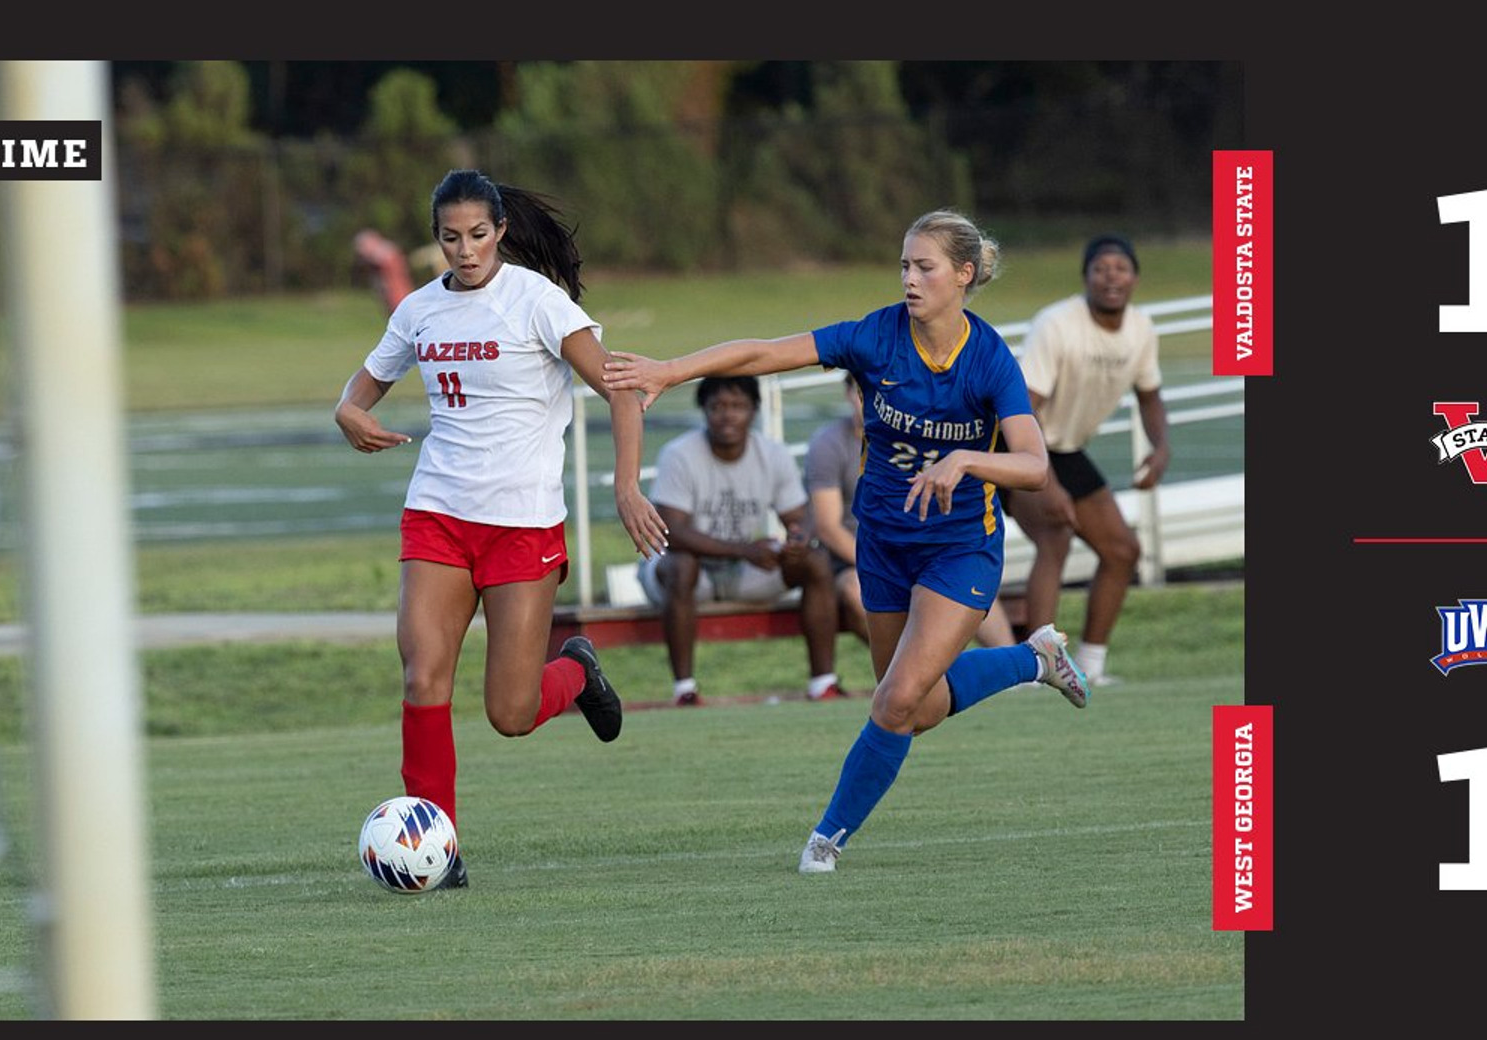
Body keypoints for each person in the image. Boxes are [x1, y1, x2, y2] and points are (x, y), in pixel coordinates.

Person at [604, 209, 1091, 875]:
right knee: (914, 710)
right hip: (883, 545)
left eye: (925, 267)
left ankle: (824, 842)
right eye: (904, 264)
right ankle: (1033, 661)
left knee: (892, 703)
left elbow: (1034, 464)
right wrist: (670, 369)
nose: (909, 278)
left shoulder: (988, 360)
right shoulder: (876, 336)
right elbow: (765, 352)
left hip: (960, 551)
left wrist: (967, 462)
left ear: (964, 275)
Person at [333, 169, 669, 890]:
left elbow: (622, 389)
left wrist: (625, 484)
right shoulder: (419, 311)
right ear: (437, 240)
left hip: (522, 525)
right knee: (423, 676)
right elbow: (360, 390)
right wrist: (349, 413)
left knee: (510, 713)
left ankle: (577, 672)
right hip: (438, 515)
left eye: (478, 235)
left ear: (501, 232)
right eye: (450, 238)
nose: (465, 250)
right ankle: (437, 850)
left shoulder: (537, 302)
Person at [1007, 234, 1170, 688]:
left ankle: (1091, 666)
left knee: (1122, 551)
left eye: (1121, 268)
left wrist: (1160, 448)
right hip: (1020, 444)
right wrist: (1049, 484)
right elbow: (1023, 407)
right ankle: (1034, 672)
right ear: (1086, 278)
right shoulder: (1056, 323)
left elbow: (1151, 397)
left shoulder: (1141, 329)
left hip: (1066, 449)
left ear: (1135, 277)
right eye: (1101, 268)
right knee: (1054, 536)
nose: (1111, 277)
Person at [638, 375, 845, 706]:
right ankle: (685, 690)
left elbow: (801, 515)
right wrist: (743, 549)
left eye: (738, 406)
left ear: (754, 410)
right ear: (703, 411)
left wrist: (799, 539)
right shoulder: (679, 454)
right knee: (682, 565)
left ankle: (823, 683)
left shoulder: (772, 454)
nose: (727, 415)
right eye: (717, 406)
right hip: (686, 573)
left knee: (815, 561)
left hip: (744, 570)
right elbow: (670, 533)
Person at [805, 376, 1018, 650]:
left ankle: (1016, 663)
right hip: (856, 558)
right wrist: (881, 563)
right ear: (849, 394)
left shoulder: (916, 434)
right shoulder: (829, 443)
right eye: (862, 393)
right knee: (859, 589)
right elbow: (828, 527)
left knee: (965, 578)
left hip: (921, 544)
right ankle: (923, 671)